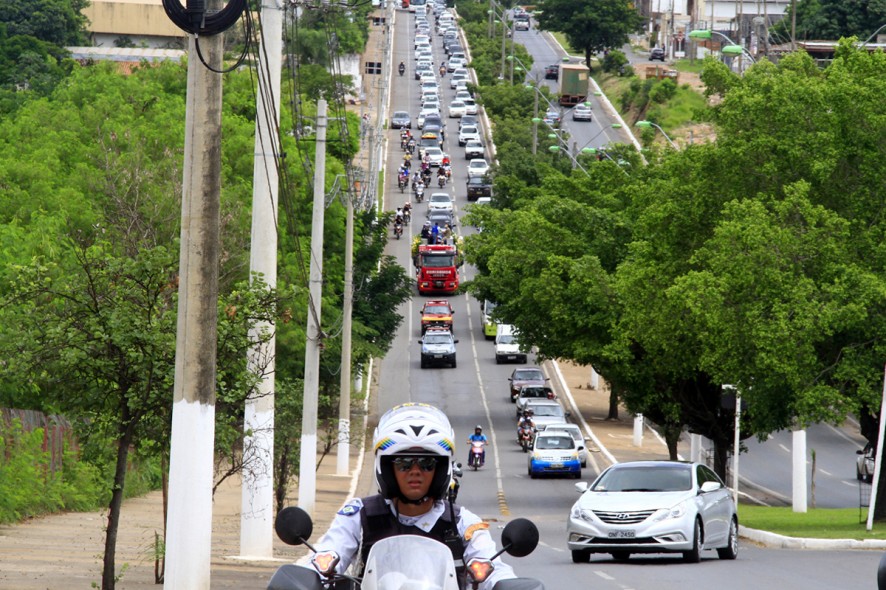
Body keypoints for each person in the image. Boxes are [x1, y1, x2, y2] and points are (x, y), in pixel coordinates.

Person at [311, 404, 518, 589]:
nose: (415, 471)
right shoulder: (359, 515)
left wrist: (506, 583)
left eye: (427, 463)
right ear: (387, 469)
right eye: (404, 462)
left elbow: (493, 567)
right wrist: (308, 575)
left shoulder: (463, 523)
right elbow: (327, 553)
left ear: (440, 470)